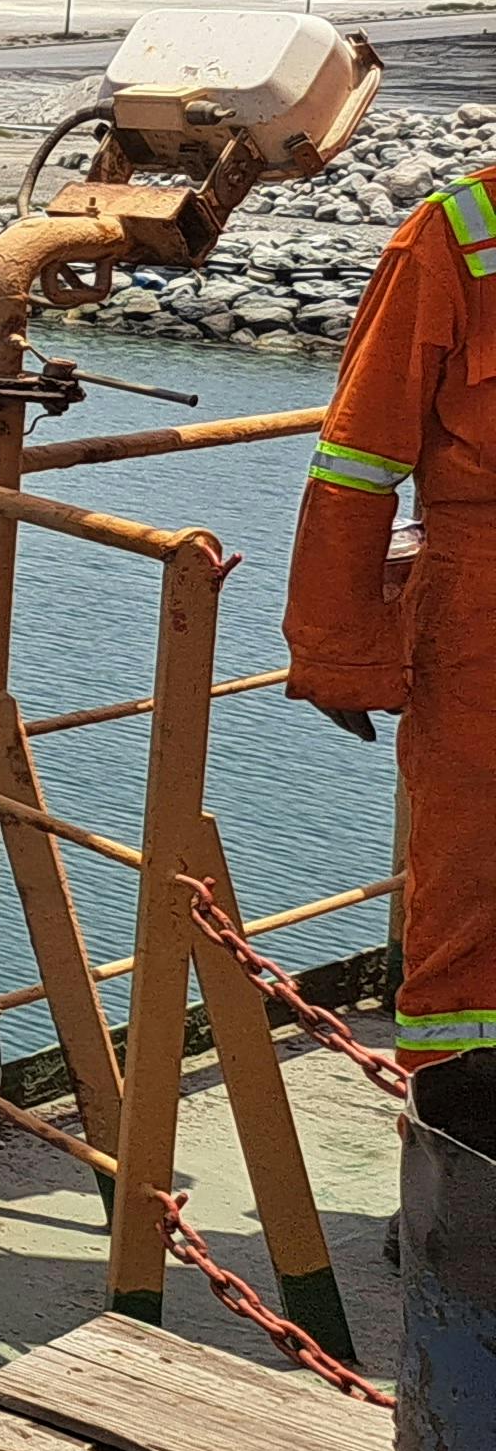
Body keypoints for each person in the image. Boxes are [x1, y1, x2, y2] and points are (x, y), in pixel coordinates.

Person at [288, 163, 496, 1135]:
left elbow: (357, 455)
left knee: (467, 899)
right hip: (481, 611)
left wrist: (343, 654)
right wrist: (341, 650)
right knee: (467, 897)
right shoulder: (460, 227)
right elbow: (358, 461)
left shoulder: (459, 227)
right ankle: (457, 1167)